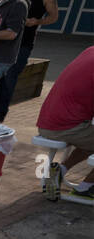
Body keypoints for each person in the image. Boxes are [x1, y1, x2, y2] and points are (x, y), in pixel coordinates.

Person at [37, 45, 94, 198]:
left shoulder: (90, 50)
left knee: (89, 143)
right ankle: (86, 188)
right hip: (66, 126)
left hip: (48, 121)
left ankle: (60, 171)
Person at [0, 0, 58, 123]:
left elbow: (53, 17)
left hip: (24, 44)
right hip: (3, 39)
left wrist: (37, 21)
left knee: (9, 76)